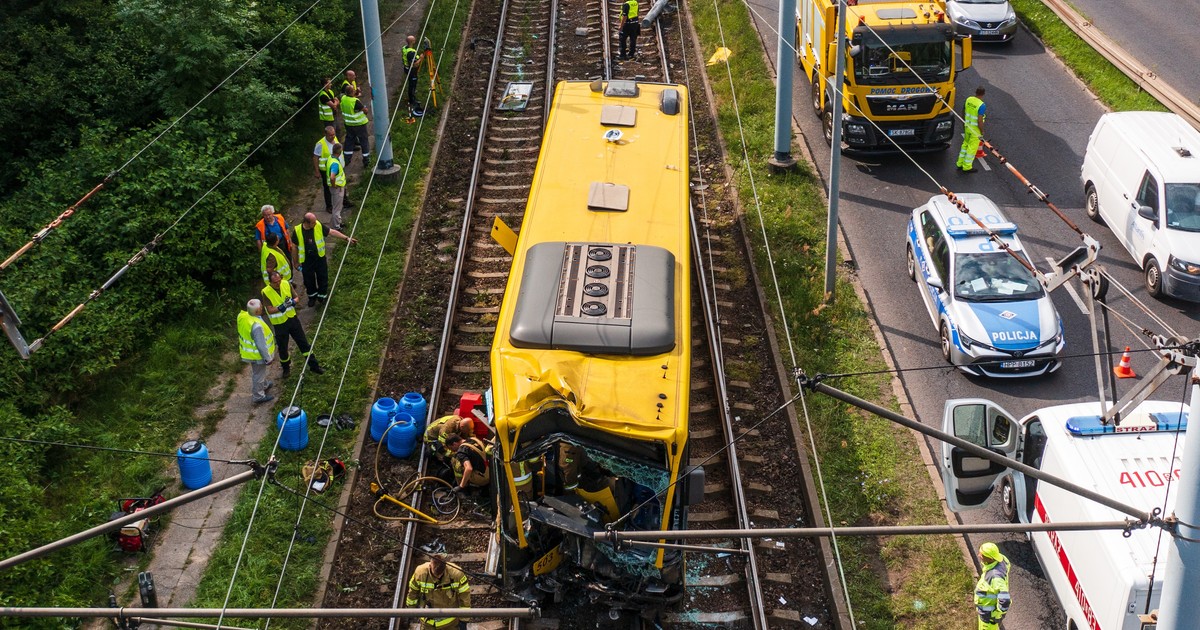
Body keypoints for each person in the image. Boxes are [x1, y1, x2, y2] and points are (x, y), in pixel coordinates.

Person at [261, 270, 325, 378]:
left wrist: (293, 301)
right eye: (275, 282)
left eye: (279, 280)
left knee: (303, 343)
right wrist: (281, 307)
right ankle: (286, 368)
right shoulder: (266, 292)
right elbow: (270, 310)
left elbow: (296, 297)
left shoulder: (286, 283)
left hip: (292, 319)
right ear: (270, 282)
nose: (278, 283)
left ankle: (314, 366)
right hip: (279, 324)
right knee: (283, 349)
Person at [295, 212, 356, 307]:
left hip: (319, 258)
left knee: (323, 277)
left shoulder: (318, 225)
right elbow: (294, 246)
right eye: (313, 222)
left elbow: (331, 232)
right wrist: (295, 262)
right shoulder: (297, 230)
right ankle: (312, 297)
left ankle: (322, 296)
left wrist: (346, 238)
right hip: (306, 260)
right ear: (307, 223)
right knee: (308, 280)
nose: (315, 223)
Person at [404, 553, 470, 629]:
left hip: (450, 622)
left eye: (440, 575)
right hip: (427, 621)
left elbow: (465, 597)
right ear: (430, 565)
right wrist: (410, 610)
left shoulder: (456, 574)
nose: (438, 577)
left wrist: (464, 620)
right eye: (435, 575)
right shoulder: (420, 573)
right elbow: (413, 592)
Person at [237, 299, 276, 404]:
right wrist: (268, 358)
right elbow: (261, 345)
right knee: (259, 374)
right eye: (261, 307)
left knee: (258, 373)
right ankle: (258, 396)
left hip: (249, 353)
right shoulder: (257, 326)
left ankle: (264, 385)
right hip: (258, 355)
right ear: (258, 310)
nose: (262, 307)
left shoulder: (243, 316)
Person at [974, 542, 1011, 630]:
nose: (979, 555)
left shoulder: (995, 577)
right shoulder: (1001, 559)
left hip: (989, 615)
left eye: (982, 555)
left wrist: (996, 614)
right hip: (987, 611)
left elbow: (1005, 600)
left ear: (990, 559)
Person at [340, 84, 371, 169]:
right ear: (352, 91)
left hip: (348, 124)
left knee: (349, 141)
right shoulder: (355, 101)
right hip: (359, 124)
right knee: (364, 141)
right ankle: (366, 160)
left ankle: (346, 159)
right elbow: (365, 110)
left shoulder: (343, 98)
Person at [957, 86, 987, 174]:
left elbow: (963, 111)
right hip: (975, 130)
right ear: (983, 94)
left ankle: (960, 163)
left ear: (976, 92)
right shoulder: (981, 105)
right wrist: (982, 131)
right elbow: (979, 120)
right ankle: (967, 167)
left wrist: (964, 124)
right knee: (972, 148)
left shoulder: (969, 99)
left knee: (965, 144)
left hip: (967, 127)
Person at [313, 126, 339, 214]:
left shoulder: (335, 139)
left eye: (334, 134)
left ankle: (344, 201)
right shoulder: (320, 144)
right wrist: (317, 171)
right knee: (327, 188)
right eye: (330, 135)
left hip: (336, 168)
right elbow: (315, 157)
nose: (333, 136)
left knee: (340, 184)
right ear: (325, 134)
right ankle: (329, 206)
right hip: (325, 170)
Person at [327, 143, 348, 230]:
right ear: (340, 152)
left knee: (337, 206)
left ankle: (338, 222)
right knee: (337, 208)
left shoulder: (330, 158)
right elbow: (332, 177)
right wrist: (334, 185)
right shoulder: (335, 164)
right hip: (337, 188)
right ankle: (337, 226)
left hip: (336, 187)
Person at [403, 36, 424, 117]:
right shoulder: (411, 53)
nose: (415, 40)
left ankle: (412, 95)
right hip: (411, 71)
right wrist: (421, 58)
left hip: (406, 68)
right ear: (412, 42)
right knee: (412, 84)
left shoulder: (404, 48)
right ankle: (412, 99)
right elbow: (415, 64)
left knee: (411, 83)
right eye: (414, 40)